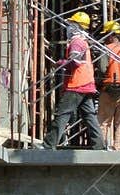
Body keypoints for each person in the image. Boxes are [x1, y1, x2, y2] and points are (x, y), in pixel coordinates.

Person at [45, 10, 105, 149]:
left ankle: (48, 145)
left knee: (62, 114)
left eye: (71, 23)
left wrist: (59, 63)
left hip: (76, 85)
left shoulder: (76, 42)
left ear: (77, 26)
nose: (69, 26)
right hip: (86, 85)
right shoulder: (84, 42)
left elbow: (74, 63)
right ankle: (99, 146)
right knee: (90, 117)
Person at [97, 20, 120, 151]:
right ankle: (117, 148)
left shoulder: (105, 49)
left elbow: (102, 69)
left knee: (104, 121)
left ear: (109, 35)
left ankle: (102, 148)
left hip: (107, 90)